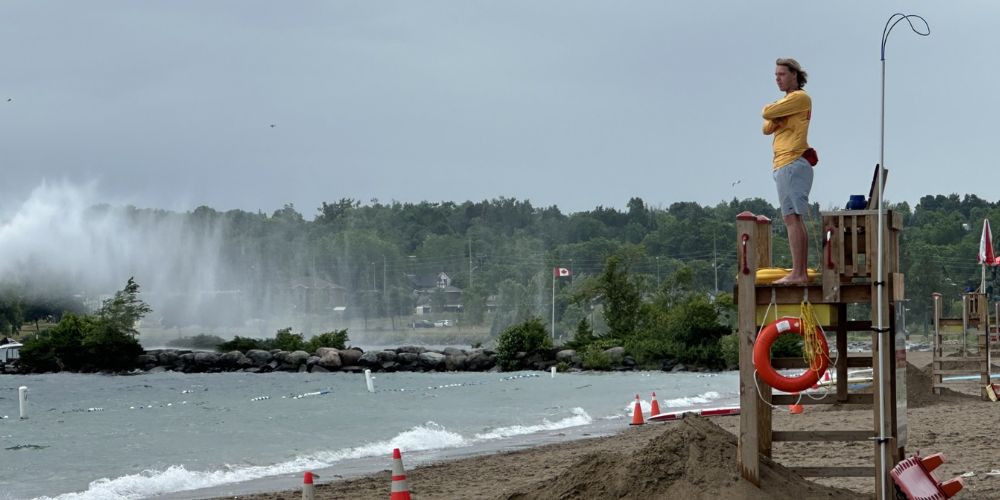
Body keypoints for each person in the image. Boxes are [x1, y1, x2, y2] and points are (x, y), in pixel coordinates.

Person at [762, 58, 813, 284]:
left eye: (782, 74)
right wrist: (778, 114)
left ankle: (799, 273)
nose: (778, 79)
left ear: (794, 75)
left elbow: (766, 113)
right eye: (776, 75)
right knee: (790, 217)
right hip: (784, 163)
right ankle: (798, 271)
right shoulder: (788, 102)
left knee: (793, 218)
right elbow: (766, 128)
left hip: (792, 161)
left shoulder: (799, 98)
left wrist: (775, 113)